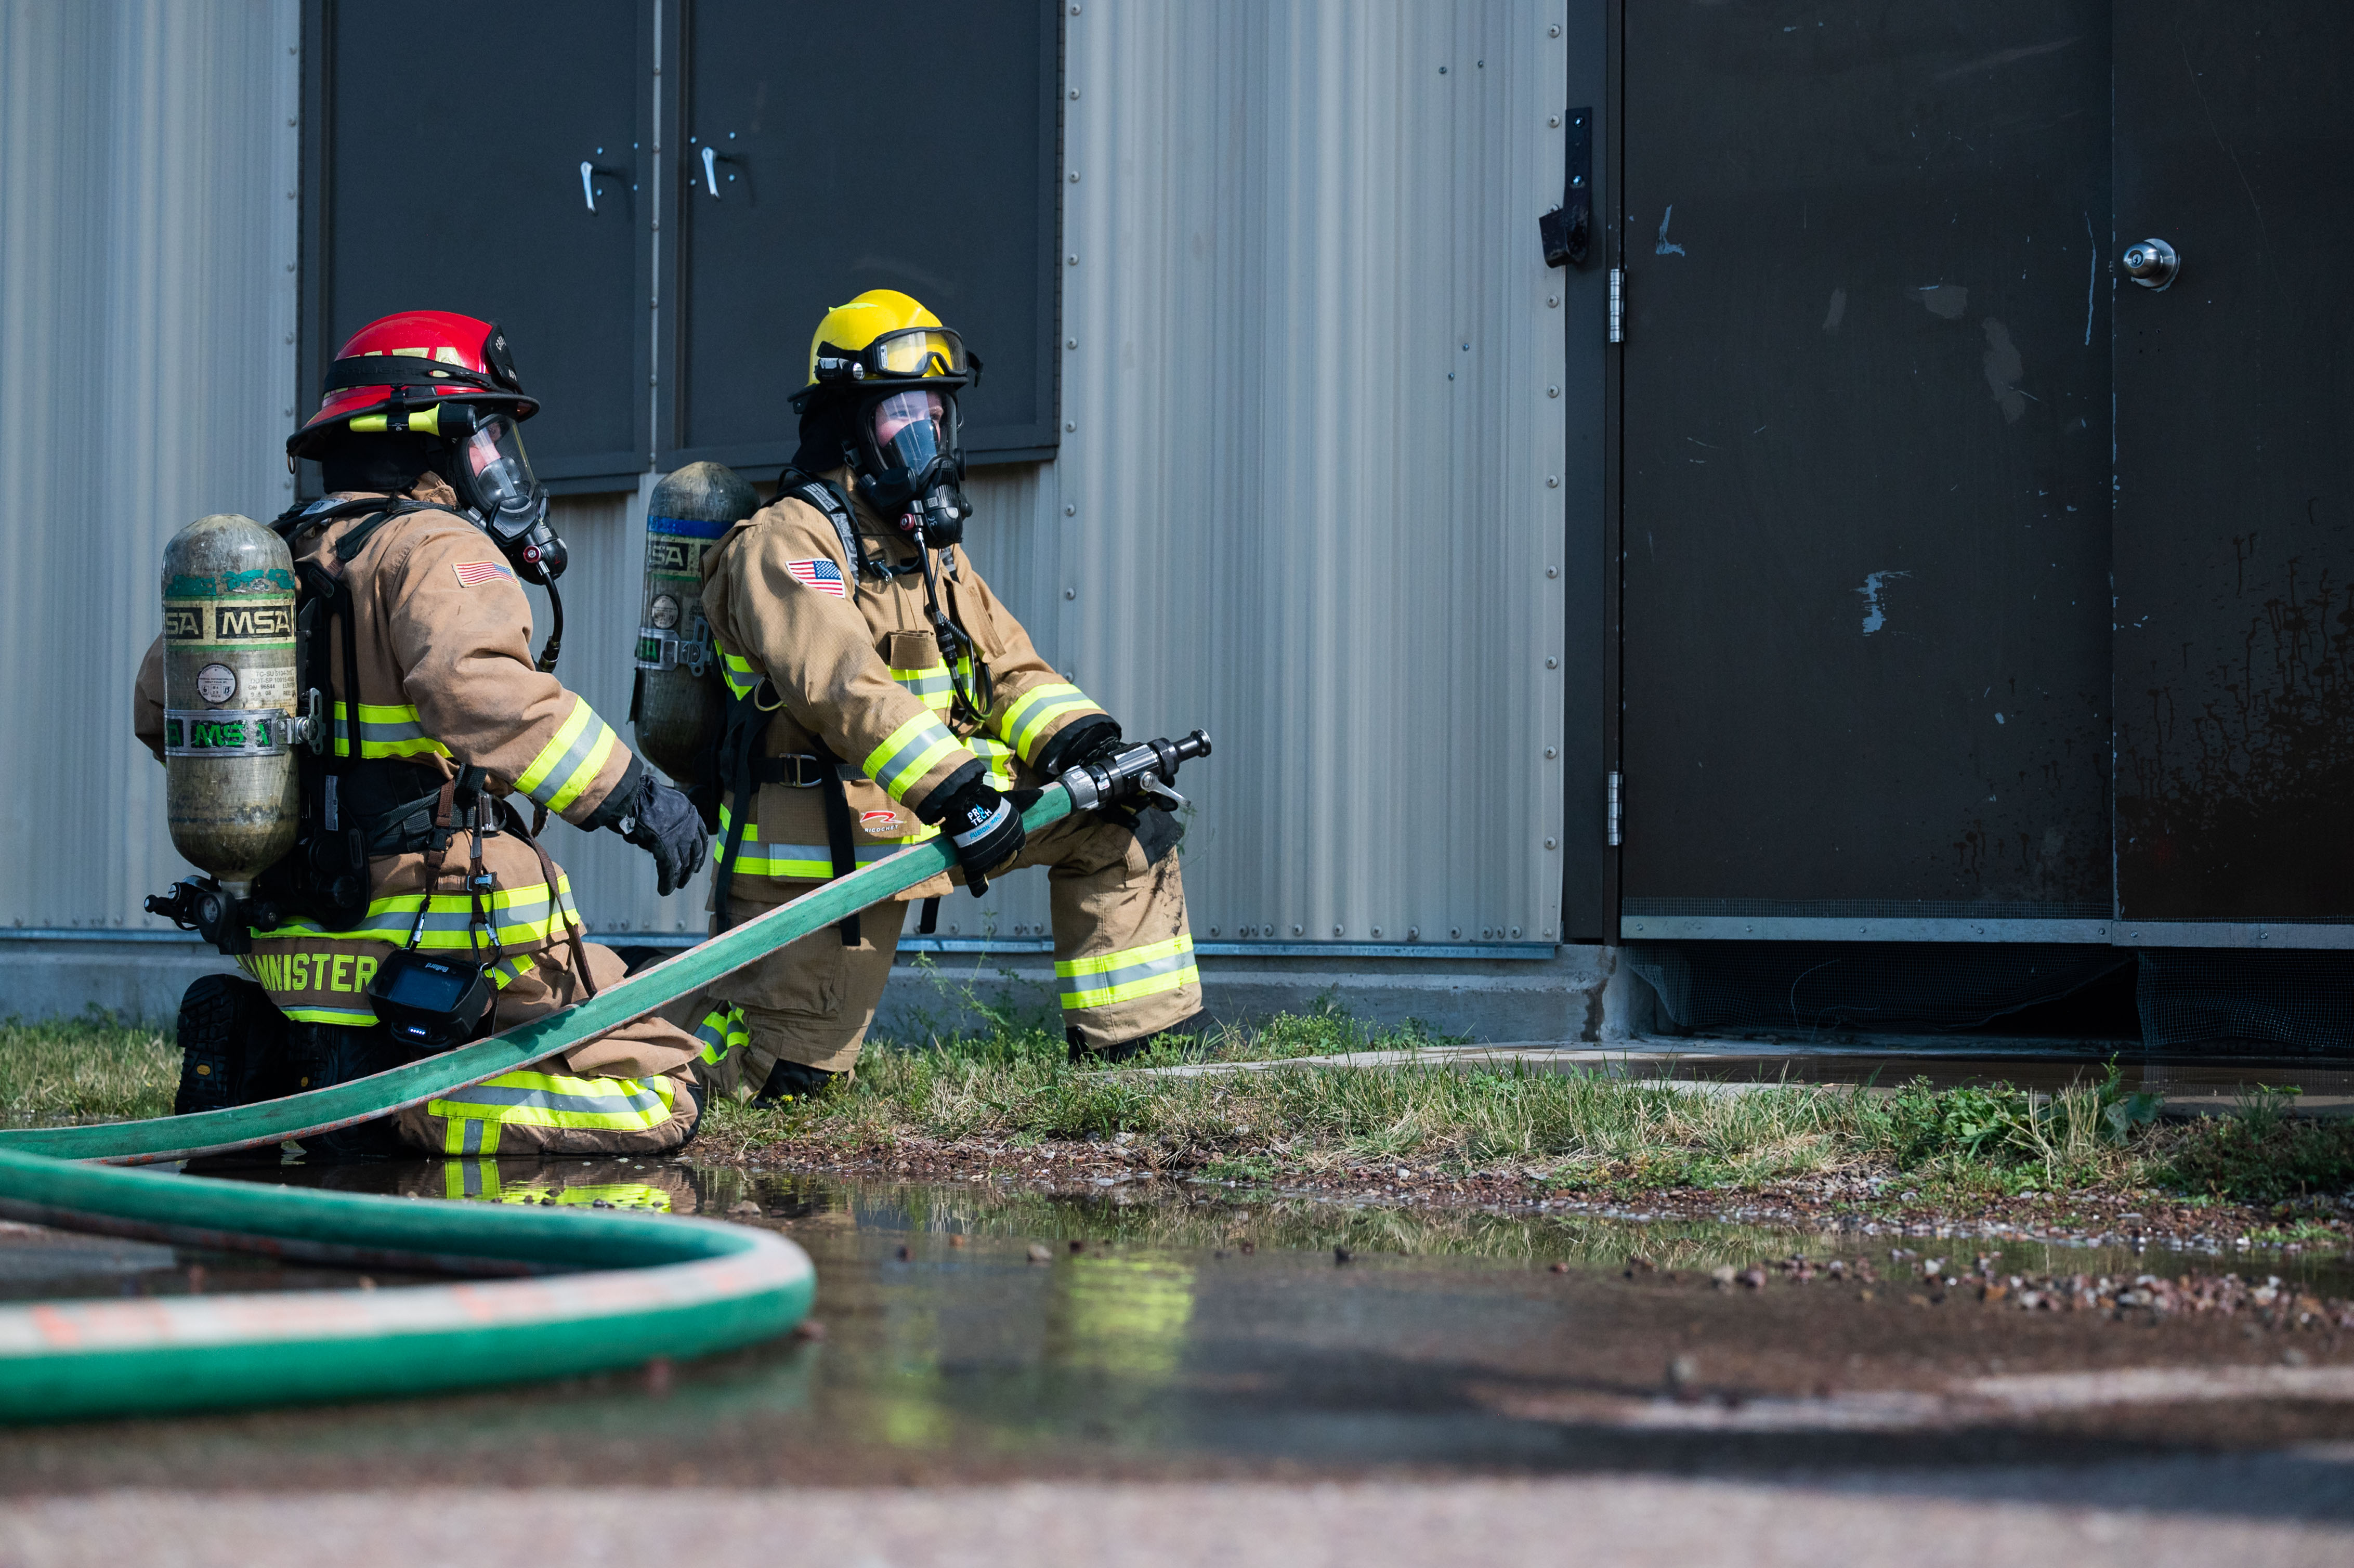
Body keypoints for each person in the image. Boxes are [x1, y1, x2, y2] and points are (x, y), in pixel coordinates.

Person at [135, 310, 716, 1158]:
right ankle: (405, 1111)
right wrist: (632, 797)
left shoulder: (266, 561)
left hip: (294, 942)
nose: (494, 469)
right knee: (663, 1090)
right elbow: (474, 690)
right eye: (484, 440)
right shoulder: (435, 544)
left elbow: (163, 711)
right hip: (438, 928)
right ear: (426, 441)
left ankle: (279, 1055)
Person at [693, 289, 1198, 1104]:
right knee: (785, 1090)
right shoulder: (786, 540)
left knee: (1120, 823)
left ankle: (1137, 1064)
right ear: (846, 424)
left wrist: (1088, 747)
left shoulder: (926, 549)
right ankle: (645, 1058)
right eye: (901, 413)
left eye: (935, 411)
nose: (925, 433)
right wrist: (962, 792)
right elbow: (842, 686)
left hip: (929, 810)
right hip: (824, 847)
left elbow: (1007, 669)